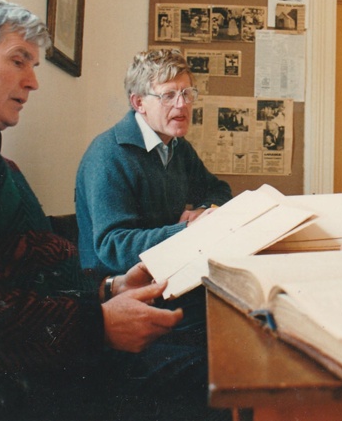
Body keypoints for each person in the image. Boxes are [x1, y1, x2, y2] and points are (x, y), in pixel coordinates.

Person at [0, 0, 228, 420]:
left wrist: (108, 289)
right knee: (216, 373)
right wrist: (96, 324)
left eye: (34, 65)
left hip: (34, 366)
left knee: (219, 355)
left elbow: (22, 271)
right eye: (18, 60)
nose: (33, 81)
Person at [75, 48, 232, 278]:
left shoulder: (177, 147)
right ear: (139, 103)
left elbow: (219, 191)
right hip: (118, 289)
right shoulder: (108, 154)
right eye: (168, 95)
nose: (182, 104)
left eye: (187, 93)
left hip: (164, 273)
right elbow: (113, 247)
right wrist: (186, 231)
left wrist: (201, 210)